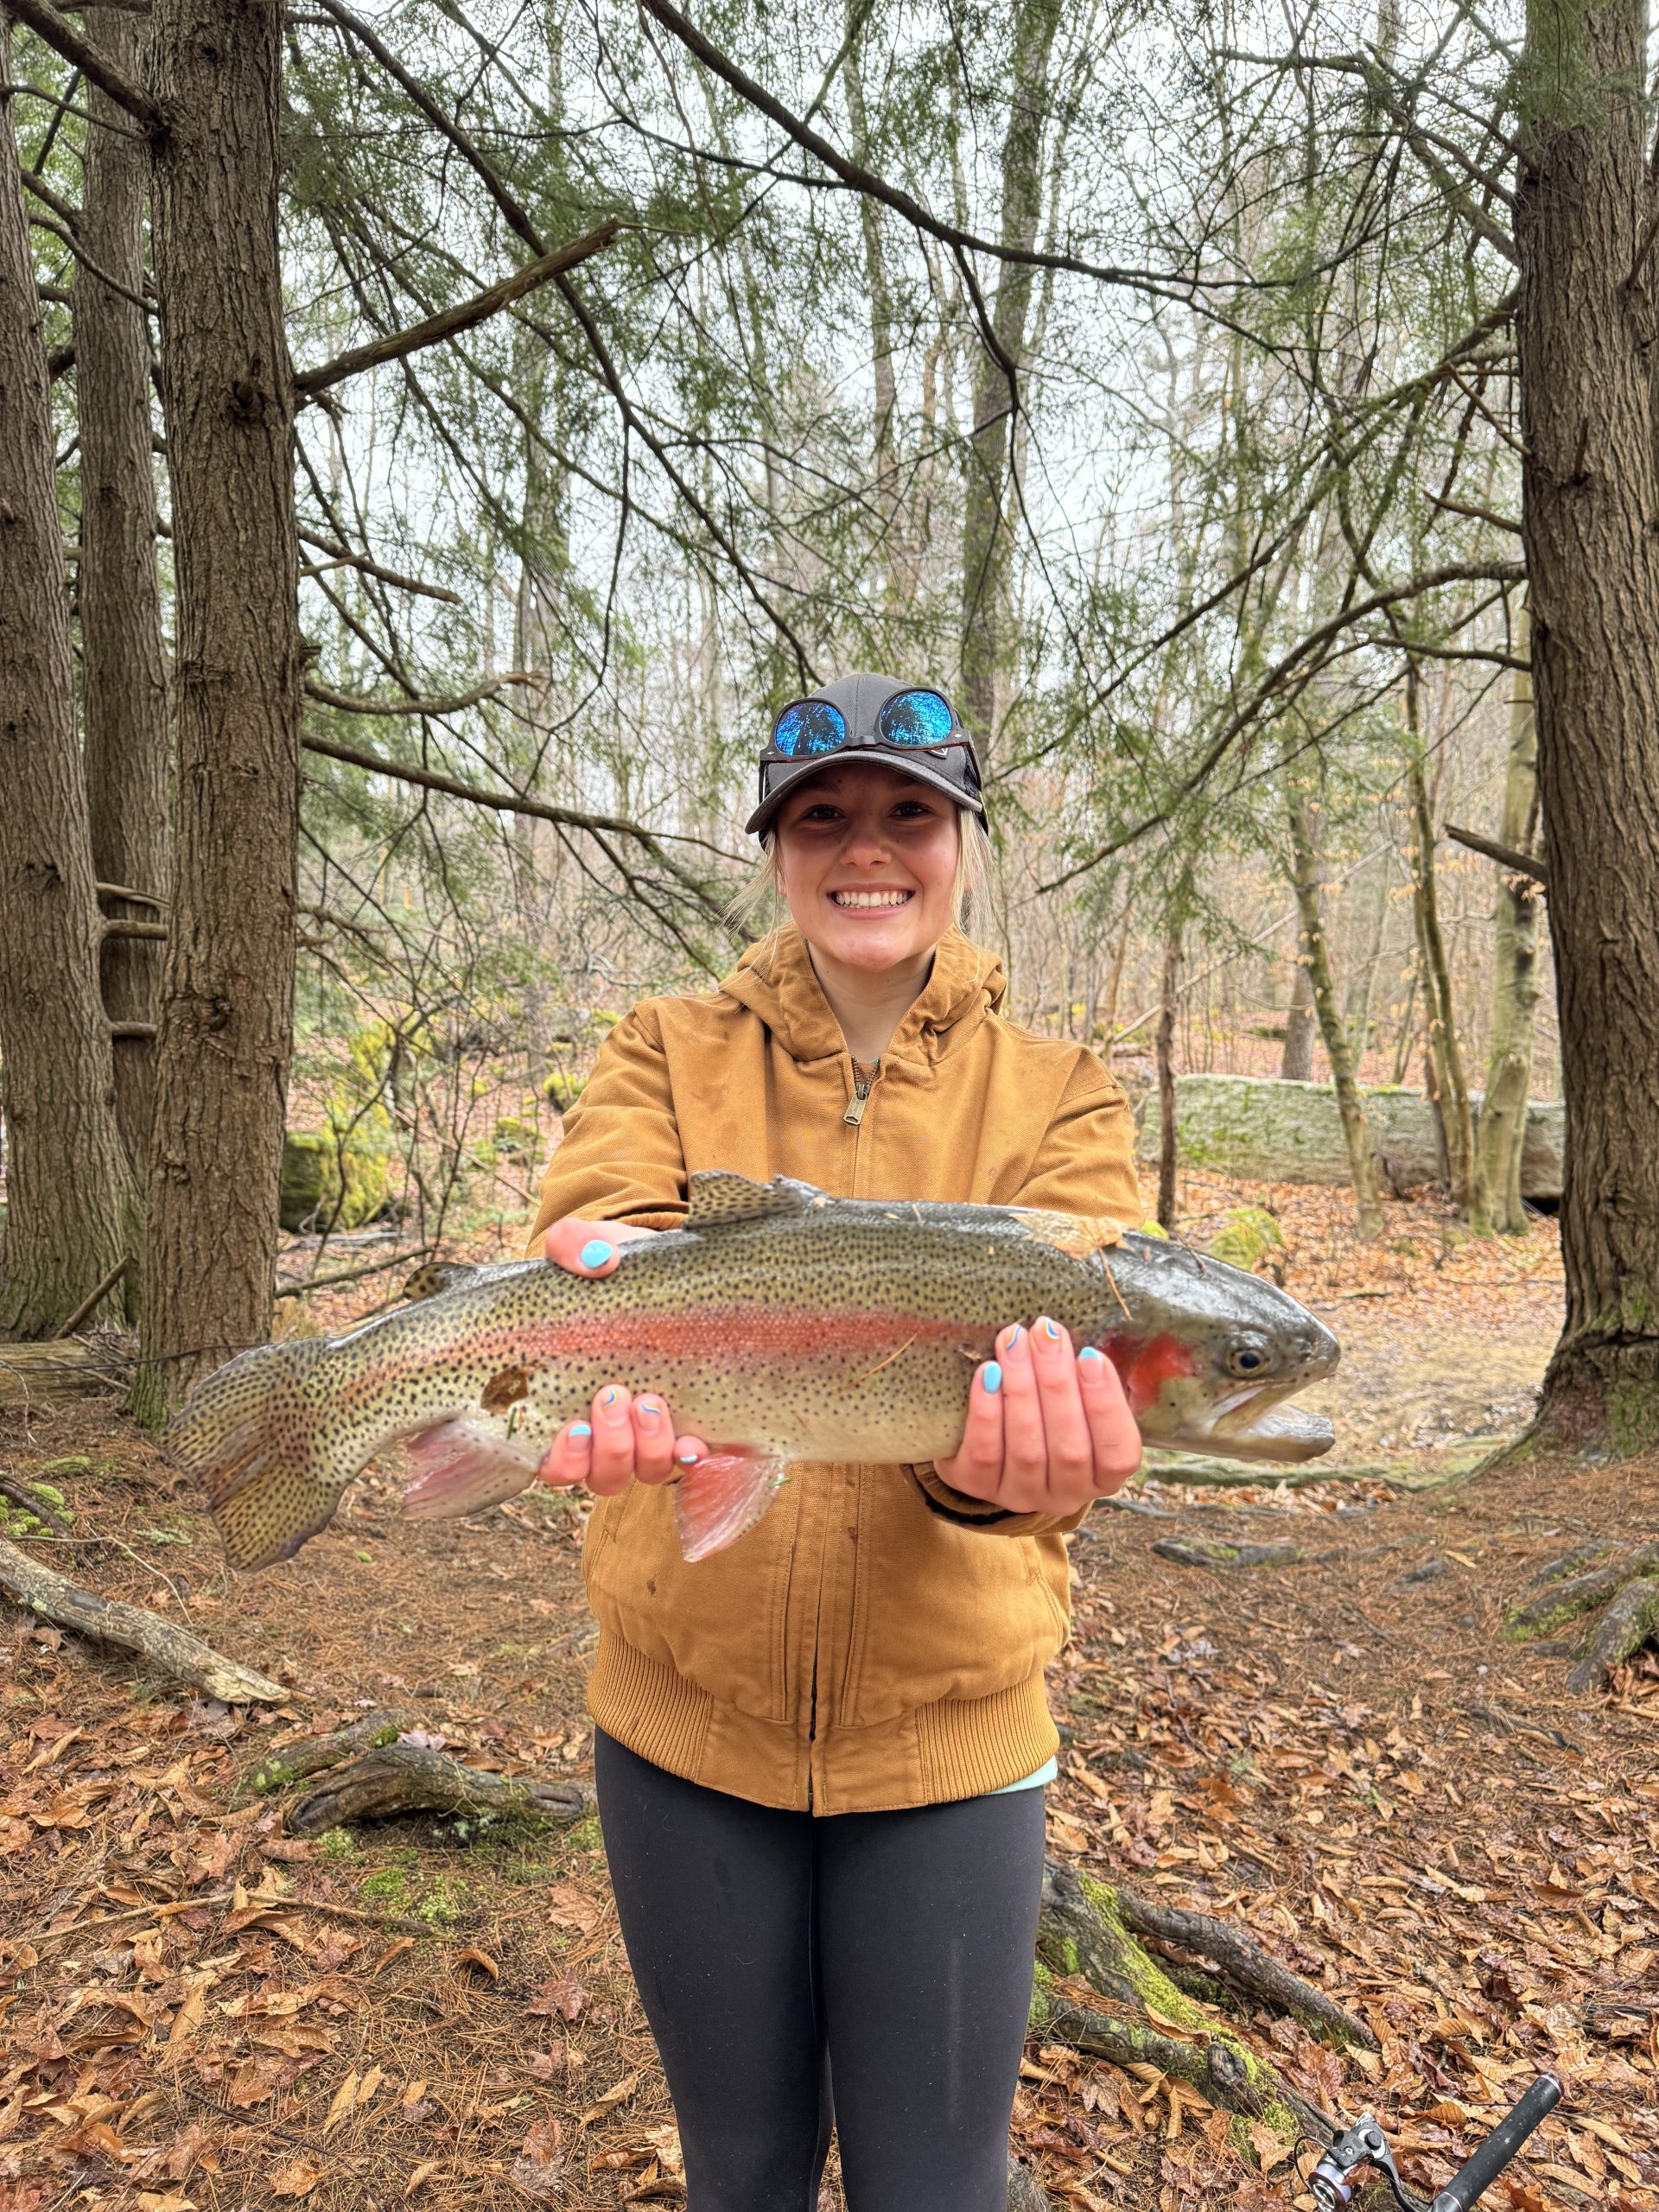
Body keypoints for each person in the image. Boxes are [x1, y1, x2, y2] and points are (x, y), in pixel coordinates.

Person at [524, 672, 1144, 2212]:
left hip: (953, 1739)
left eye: (908, 814)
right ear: (780, 850)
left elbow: (1068, 1372)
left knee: (940, 2187)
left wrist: (989, 1472)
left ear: (964, 842)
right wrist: (600, 1303)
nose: (868, 849)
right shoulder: (664, 1046)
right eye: (825, 817)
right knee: (740, 2177)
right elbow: (599, 1227)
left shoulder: (1066, 1094)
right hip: (683, 1716)